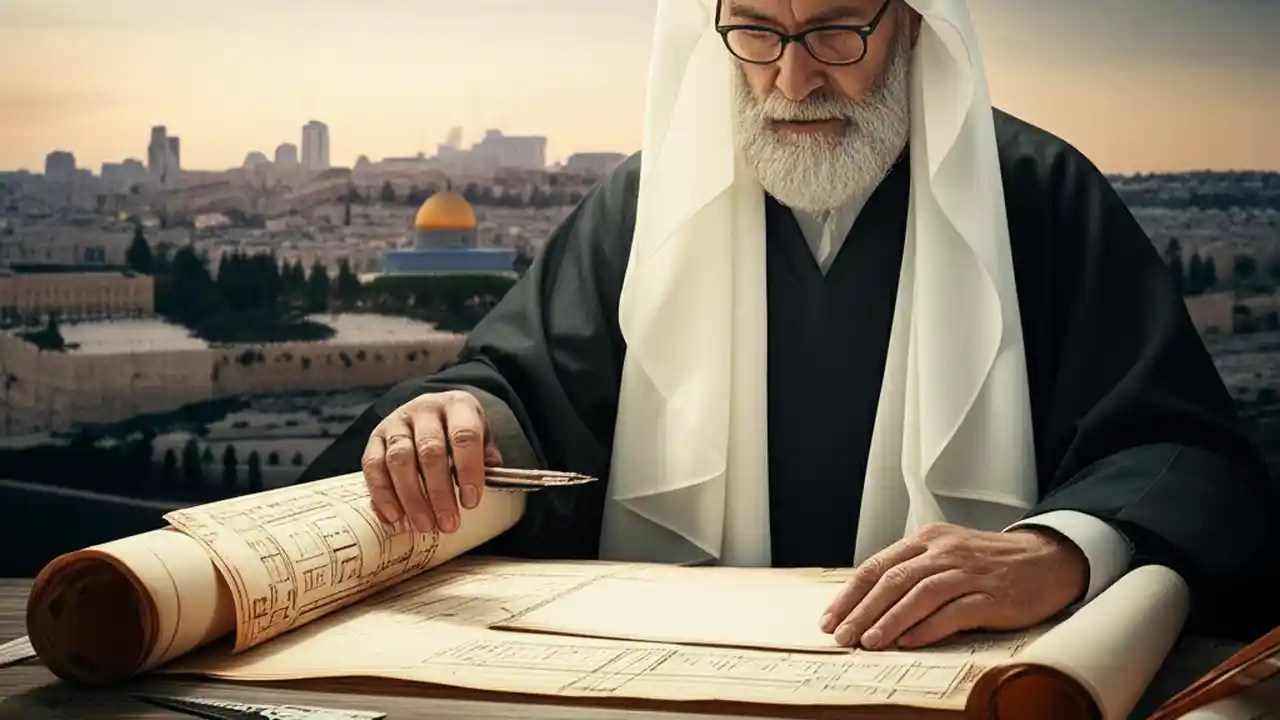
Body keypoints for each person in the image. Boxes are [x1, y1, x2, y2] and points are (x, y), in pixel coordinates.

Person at [300, 0, 1277, 649]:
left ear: (912, 23)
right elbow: (527, 392)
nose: (791, 80)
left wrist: (1063, 551)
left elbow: (1182, 455)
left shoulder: (1036, 194)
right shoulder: (649, 204)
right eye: (757, 32)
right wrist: (456, 416)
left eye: (836, 33)